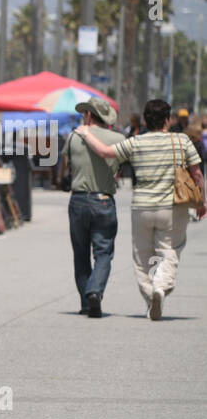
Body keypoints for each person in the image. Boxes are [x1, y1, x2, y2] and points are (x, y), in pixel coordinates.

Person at [76, 98, 206, 319]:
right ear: (167, 120)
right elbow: (197, 174)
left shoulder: (136, 142)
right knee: (170, 250)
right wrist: (202, 201)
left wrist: (86, 133)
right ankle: (160, 287)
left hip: (142, 208)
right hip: (172, 207)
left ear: (146, 120)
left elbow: (105, 152)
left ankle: (150, 296)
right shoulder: (182, 140)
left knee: (142, 256)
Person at [59, 98, 125, 317]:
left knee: (80, 254)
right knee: (103, 252)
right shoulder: (118, 139)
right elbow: (121, 168)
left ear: (88, 115)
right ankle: (95, 291)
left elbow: (65, 167)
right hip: (104, 199)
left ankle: (86, 304)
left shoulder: (74, 137)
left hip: (78, 200)